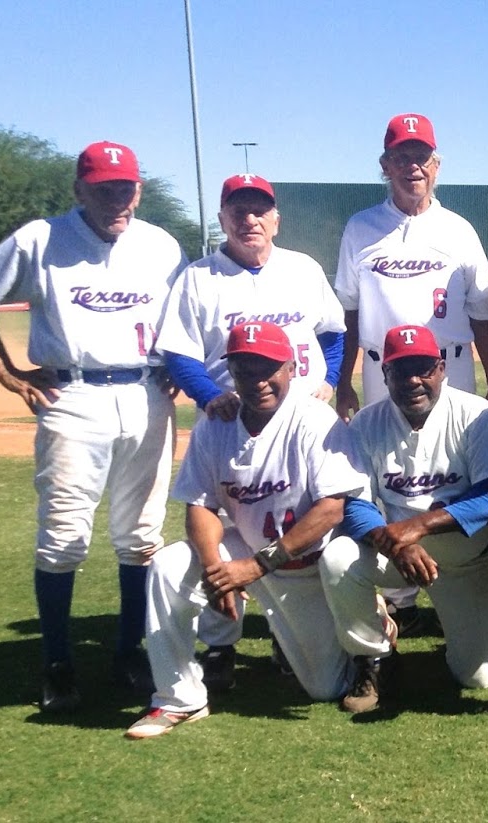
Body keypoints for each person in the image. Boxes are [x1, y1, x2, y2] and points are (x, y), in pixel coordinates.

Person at [0, 141, 185, 712]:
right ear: (79, 188)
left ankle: (128, 651)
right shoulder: (41, 238)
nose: (118, 198)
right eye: (104, 186)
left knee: (141, 535)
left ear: (140, 189)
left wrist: (180, 366)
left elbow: (185, 316)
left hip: (147, 395)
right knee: (63, 538)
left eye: (126, 186)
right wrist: (7, 372)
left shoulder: (160, 245)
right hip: (71, 393)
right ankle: (57, 661)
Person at [127, 322, 372, 738]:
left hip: (303, 566)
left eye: (267, 369)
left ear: (291, 368)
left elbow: (331, 510)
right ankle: (177, 698)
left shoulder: (314, 419)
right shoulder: (215, 424)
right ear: (232, 373)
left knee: (325, 687)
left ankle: (363, 622)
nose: (257, 381)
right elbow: (200, 504)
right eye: (245, 370)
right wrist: (214, 572)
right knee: (169, 565)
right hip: (245, 549)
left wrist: (257, 565)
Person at [155, 173, 347, 686]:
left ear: (276, 219)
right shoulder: (199, 277)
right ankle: (219, 645)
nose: (249, 219)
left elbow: (332, 331)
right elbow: (177, 351)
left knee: (303, 521)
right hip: (231, 419)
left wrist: (328, 378)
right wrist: (209, 395)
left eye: (259, 209)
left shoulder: (303, 269)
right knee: (220, 526)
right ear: (222, 219)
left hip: (301, 422)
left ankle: (294, 632)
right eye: (237, 210)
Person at [333, 112, 488, 628]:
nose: (413, 166)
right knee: (390, 475)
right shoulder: (360, 227)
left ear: (438, 165)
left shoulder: (458, 229)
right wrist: (342, 382)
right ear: (385, 165)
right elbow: (348, 312)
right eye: (402, 157)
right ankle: (402, 599)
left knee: (458, 473)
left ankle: (472, 575)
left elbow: (482, 314)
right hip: (380, 371)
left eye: (422, 157)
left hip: (450, 370)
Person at [321, 325, 488, 714]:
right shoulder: (366, 424)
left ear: (441, 368)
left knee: (475, 677)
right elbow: (355, 503)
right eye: (400, 369)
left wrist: (418, 527)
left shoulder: (477, 415)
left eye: (423, 368)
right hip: (398, 553)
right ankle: (374, 657)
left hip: (467, 557)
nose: (413, 380)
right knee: (338, 557)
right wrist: (396, 542)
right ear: (385, 374)